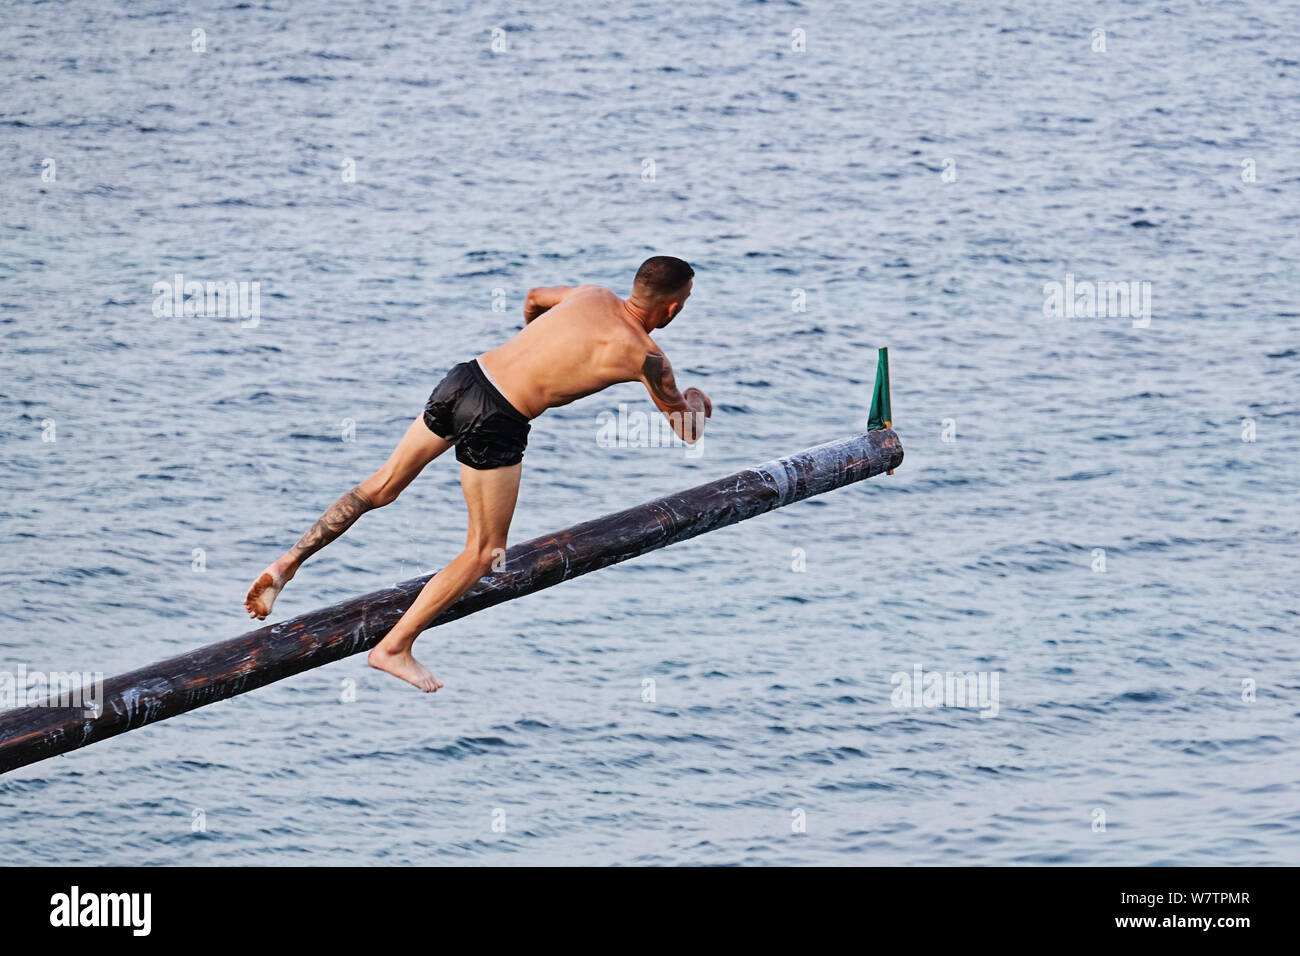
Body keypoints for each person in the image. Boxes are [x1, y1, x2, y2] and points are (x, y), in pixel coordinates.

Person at [244, 255, 712, 691]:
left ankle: (286, 565)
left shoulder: (592, 294)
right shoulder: (646, 357)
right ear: (672, 307)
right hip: (499, 418)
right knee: (486, 551)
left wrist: (538, 349)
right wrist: (695, 398)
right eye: (684, 303)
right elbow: (687, 431)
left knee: (381, 486)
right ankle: (393, 647)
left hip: (467, 378)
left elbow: (533, 297)